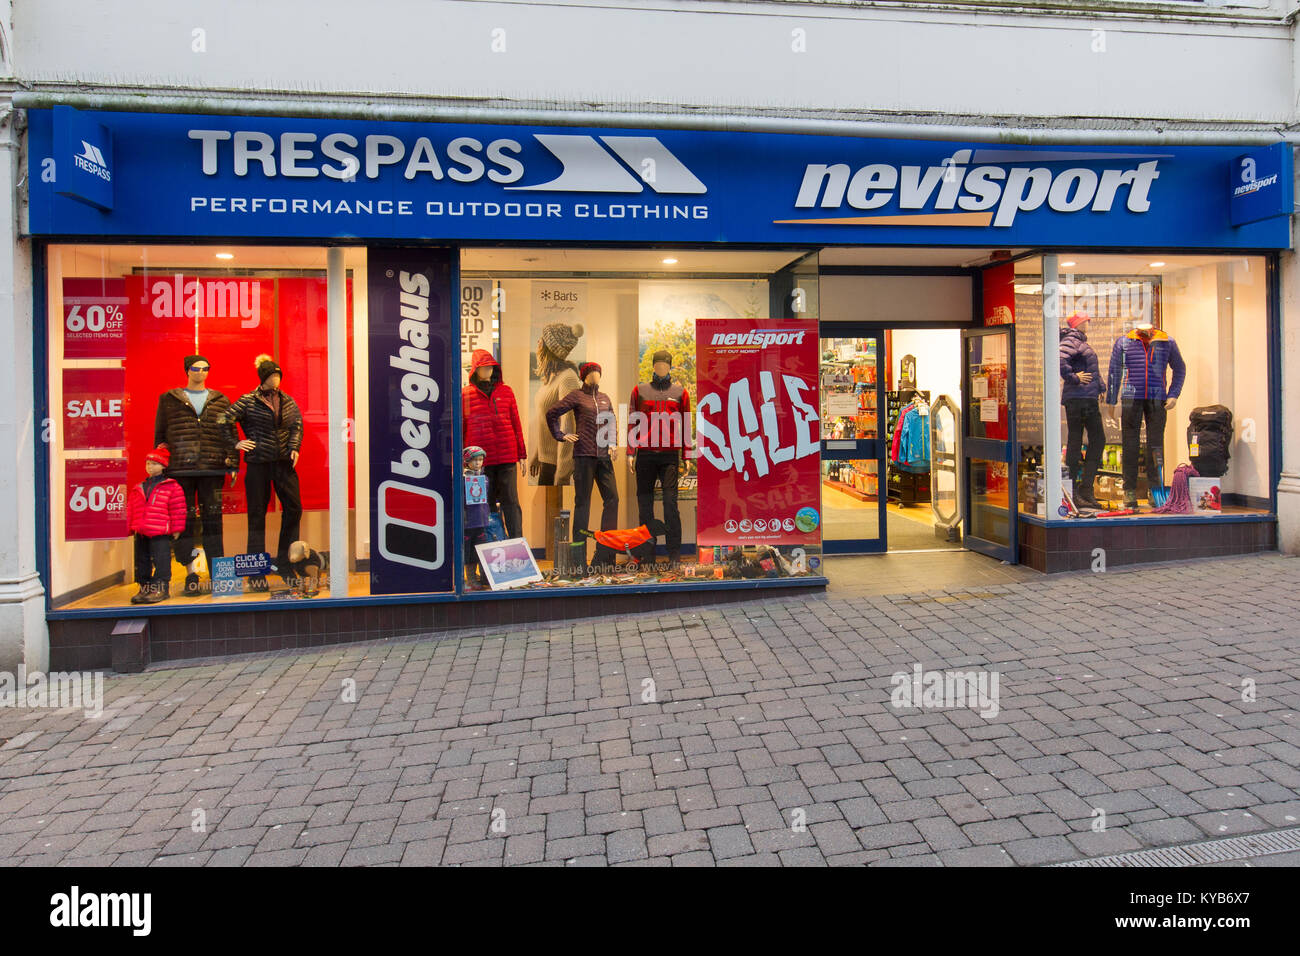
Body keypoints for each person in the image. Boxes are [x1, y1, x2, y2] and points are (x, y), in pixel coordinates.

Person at [153, 354, 238, 596]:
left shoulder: (221, 400)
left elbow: (229, 433)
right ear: (187, 370)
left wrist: (232, 462)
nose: (201, 372)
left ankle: (218, 575)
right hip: (180, 469)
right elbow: (160, 436)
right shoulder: (169, 399)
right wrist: (161, 465)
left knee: (213, 521)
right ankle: (191, 573)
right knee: (184, 523)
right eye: (195, 368)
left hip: (212, 468)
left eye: (205, 368)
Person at [220, 354, 304, 584]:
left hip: (284, 463)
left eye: (278, 375)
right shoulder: (248, 400)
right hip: (258, 463)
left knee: (294, 509)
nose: (276, 380)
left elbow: (297, 424)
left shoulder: (288, 400)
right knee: (257, 515)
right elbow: (223, 420)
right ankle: (256, 571)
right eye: (272, 376)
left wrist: (294, 446)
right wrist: (235, 444)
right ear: (263, 378)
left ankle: (286, 565)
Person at [1106, 324, 1186, 509]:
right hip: (1131, 397)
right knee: (1130, 445)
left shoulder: (1167, 342)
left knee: (1156, 445)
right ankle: (1129, 491)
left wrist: (1173, 394)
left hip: (1157, 398)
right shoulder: (1124, 342)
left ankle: (1155, 490)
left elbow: (1180, 369)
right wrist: (1111, 399)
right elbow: (1114, 371)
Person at [546, 361, 618, 558]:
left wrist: (612, 443)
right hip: (583, 456)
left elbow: (612, 421)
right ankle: (578, 558)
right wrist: (560, 435)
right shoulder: (576, 396)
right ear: (584, 375)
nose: (596, 375)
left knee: (613, 499)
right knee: (582, 504)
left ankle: (605, 554)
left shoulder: (605, 398)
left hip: (604, 458)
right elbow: (551, 413)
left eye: (598, 372)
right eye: (593, 372)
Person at [628, 350, 692, 563]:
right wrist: (631, 451)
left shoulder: (680, 392)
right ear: (654, 366)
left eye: (665, 364)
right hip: (645, 455)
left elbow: (686, 424)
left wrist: (687, 454)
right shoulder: (640, 390)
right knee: (644, 506)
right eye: (658, 364)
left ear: (670, 366)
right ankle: (647, 555)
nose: (661, 368)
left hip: (669, 456)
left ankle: (675, 554)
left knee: (670, 505)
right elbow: (632, 422)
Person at [461, 349, 526, 538]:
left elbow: (516, 422)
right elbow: (462, 427)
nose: (488, 370)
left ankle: (516, 543)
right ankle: (490, 543)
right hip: (480, 460)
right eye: (483, 367)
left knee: (511, 502)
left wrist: (521, 454)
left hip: (507, 457)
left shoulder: (506, 391)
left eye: (490, 366)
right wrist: (462, 459)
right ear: (475, 370)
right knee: (483, 504)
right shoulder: (465, 395)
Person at [126, 446, 188, 604]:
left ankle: (161, 587)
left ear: (163, 465)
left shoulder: (171, 487)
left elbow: (178, 509)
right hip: (141, 530)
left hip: (160, 530)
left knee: (162, 559)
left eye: (154, 463)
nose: (150, 466)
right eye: (147, 463)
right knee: (142, 560)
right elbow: (131, 509)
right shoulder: (138, 487)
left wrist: (177, 528)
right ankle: (145, 587)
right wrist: (129, 527)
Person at [527, 322, 583, 486]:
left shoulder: (567, 378)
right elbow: (546, 423)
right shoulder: (550, 379)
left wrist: (563, 473)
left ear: (548, 348)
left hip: (556, 467)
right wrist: (538, 454)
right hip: (547, 462)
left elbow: (569, 425)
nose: (538, 343)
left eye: (542, 339)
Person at [1059, 314, 1105, 510]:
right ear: (1079, 324)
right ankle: (1075, 491)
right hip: (1078, 398)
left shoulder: (1078, 341)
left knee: (1093, 440)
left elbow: (1092, 369)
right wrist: (1074, 378)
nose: (1089, 323)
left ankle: (1084, 489)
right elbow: (1060, 361)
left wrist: (1100, 387)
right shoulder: (1071, 340)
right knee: (1077, 441)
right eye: (1086, 320)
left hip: (1087, 397)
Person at [462, 446, 491, 588]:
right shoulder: (463, 479)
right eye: (474, 460)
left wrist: (488, 516)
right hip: (468, 523)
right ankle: (469, 578)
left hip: (481, 521)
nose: (477, 463)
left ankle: (483, 577)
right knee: (468, 553)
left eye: (480, 460)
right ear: (467, 462)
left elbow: (486, 500)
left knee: (481, 551)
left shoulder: (484, 479)